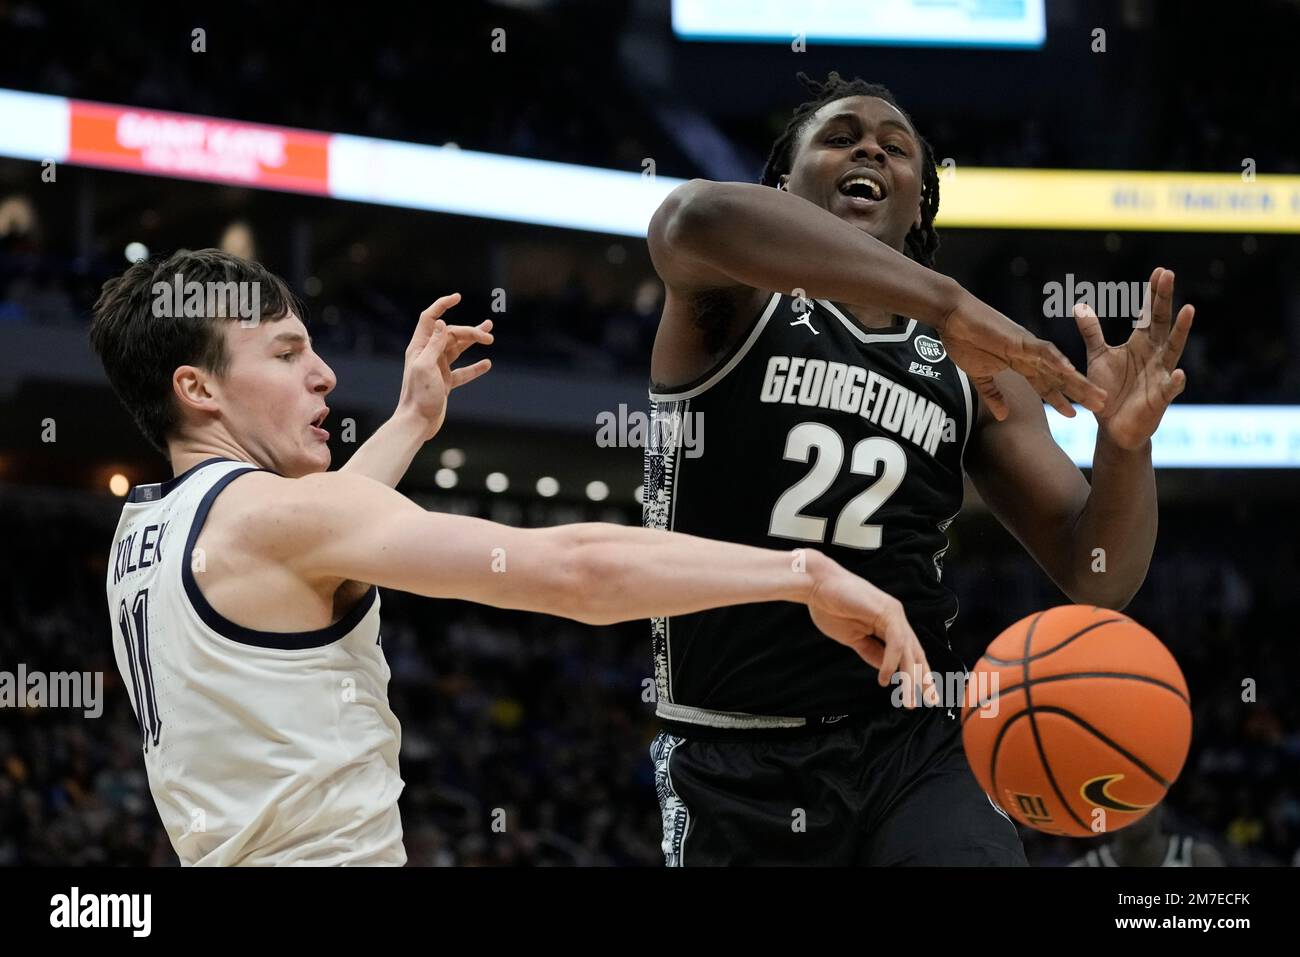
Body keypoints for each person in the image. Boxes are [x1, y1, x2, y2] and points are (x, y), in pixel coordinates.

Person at [91, 247, 937, 866]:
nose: (322, 374)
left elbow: (318, 539)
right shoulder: (274, 519)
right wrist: (800, 573)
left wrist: (413, 420)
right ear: (196, 390)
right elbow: (576, 570)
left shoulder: (147, 531)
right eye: (284, 353)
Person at [642, 72, 1194, 865]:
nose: (870, 146)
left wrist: (1125, 446)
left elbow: (1096, 575)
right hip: (736, 749)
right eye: (839, 137)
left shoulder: (977, 375)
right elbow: (691, 216)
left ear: (918, 206)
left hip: (916, 740)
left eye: (896, 149)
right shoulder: (735, 301)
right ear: (782, 184)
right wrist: (954, 305)